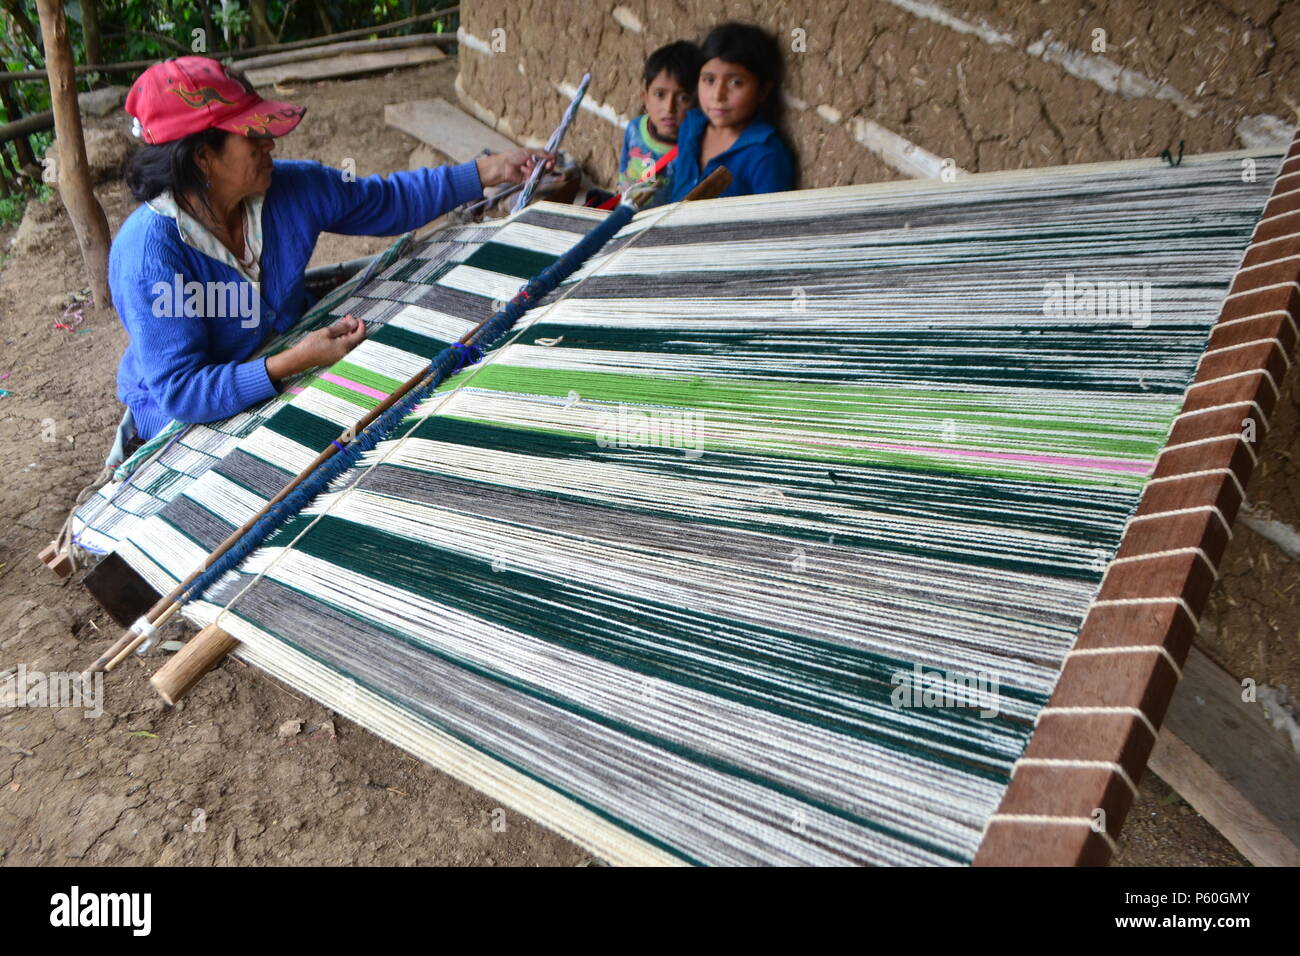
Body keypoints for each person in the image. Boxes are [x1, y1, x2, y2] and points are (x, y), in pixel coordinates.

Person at [109, 56, 550, 454]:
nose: (270, 145)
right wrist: (294, 361)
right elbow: (184, 392)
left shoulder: (290, 190)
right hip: (188, 414)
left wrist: (488, 171)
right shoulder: (151, 254)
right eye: (253, 137)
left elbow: (387, 200)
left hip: (282, 353)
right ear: (203, 158)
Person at [663, 22, 795, 202]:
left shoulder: (764, 154)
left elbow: (772, 224)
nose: (718, 95)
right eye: (709, 80)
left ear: (763, 91)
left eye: (735, 83)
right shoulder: (692, 126)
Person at [587, 41, 701, 209]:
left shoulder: (696, 146)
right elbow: (625, 168)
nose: (669, 108)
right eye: (660, 94)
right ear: (645, 97)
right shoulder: (635, 129)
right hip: (625, 215)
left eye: (683, 98)